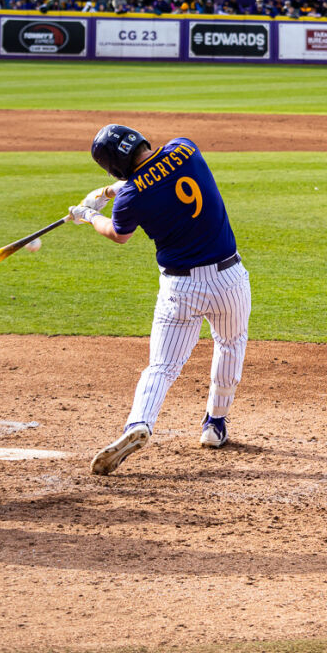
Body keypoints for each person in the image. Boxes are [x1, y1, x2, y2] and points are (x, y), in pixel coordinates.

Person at [74, 124, 251, 475]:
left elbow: (118, 234)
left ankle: (138, 423)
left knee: (162, 367)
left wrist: (89, 213)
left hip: (180, 290)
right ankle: (214, 425)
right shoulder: (186, 149)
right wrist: (111, 191)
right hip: (229, 279)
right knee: (230, 345)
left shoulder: (131, 197)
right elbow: (157, 176)